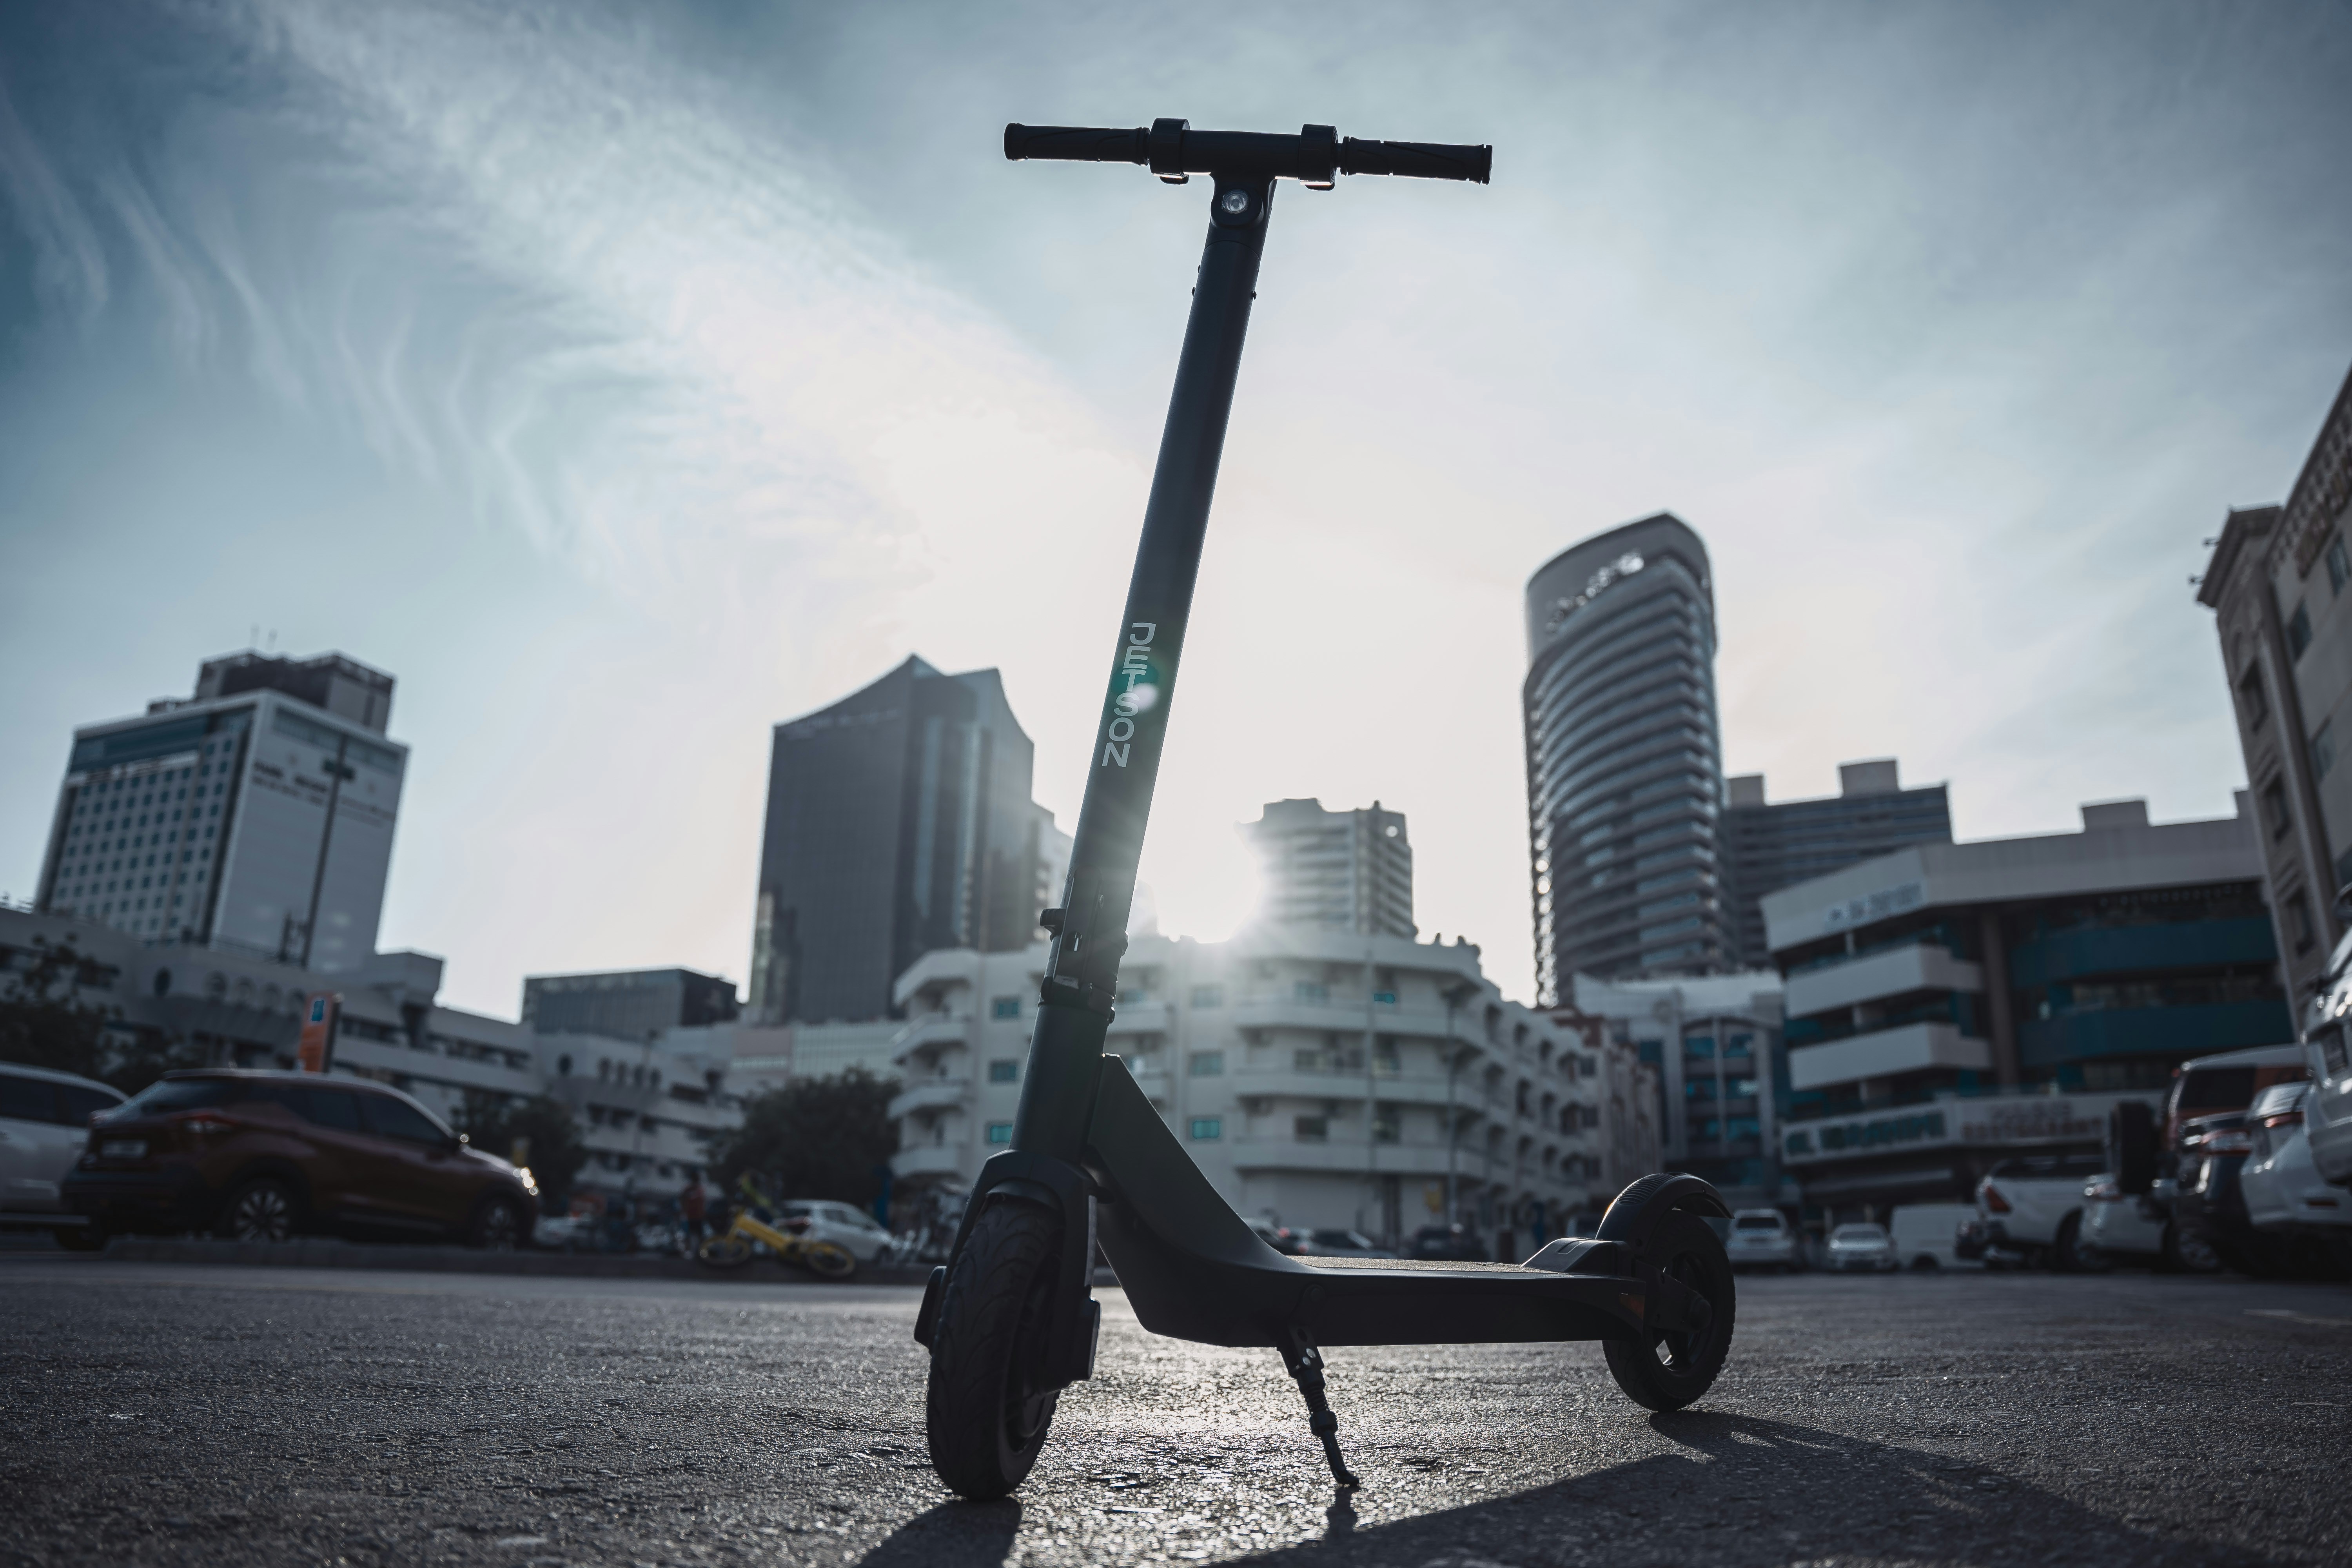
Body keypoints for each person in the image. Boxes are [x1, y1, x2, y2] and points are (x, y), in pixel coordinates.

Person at [681, 1176, 708, 1244]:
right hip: (691, 1216)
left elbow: (703, 1202)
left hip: (699, 1216)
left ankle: (701, 1250)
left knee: (700, 1235)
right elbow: (682, 1199)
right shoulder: (688, 1190)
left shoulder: (700, 1190)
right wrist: (684, 1210)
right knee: (690, 1234)